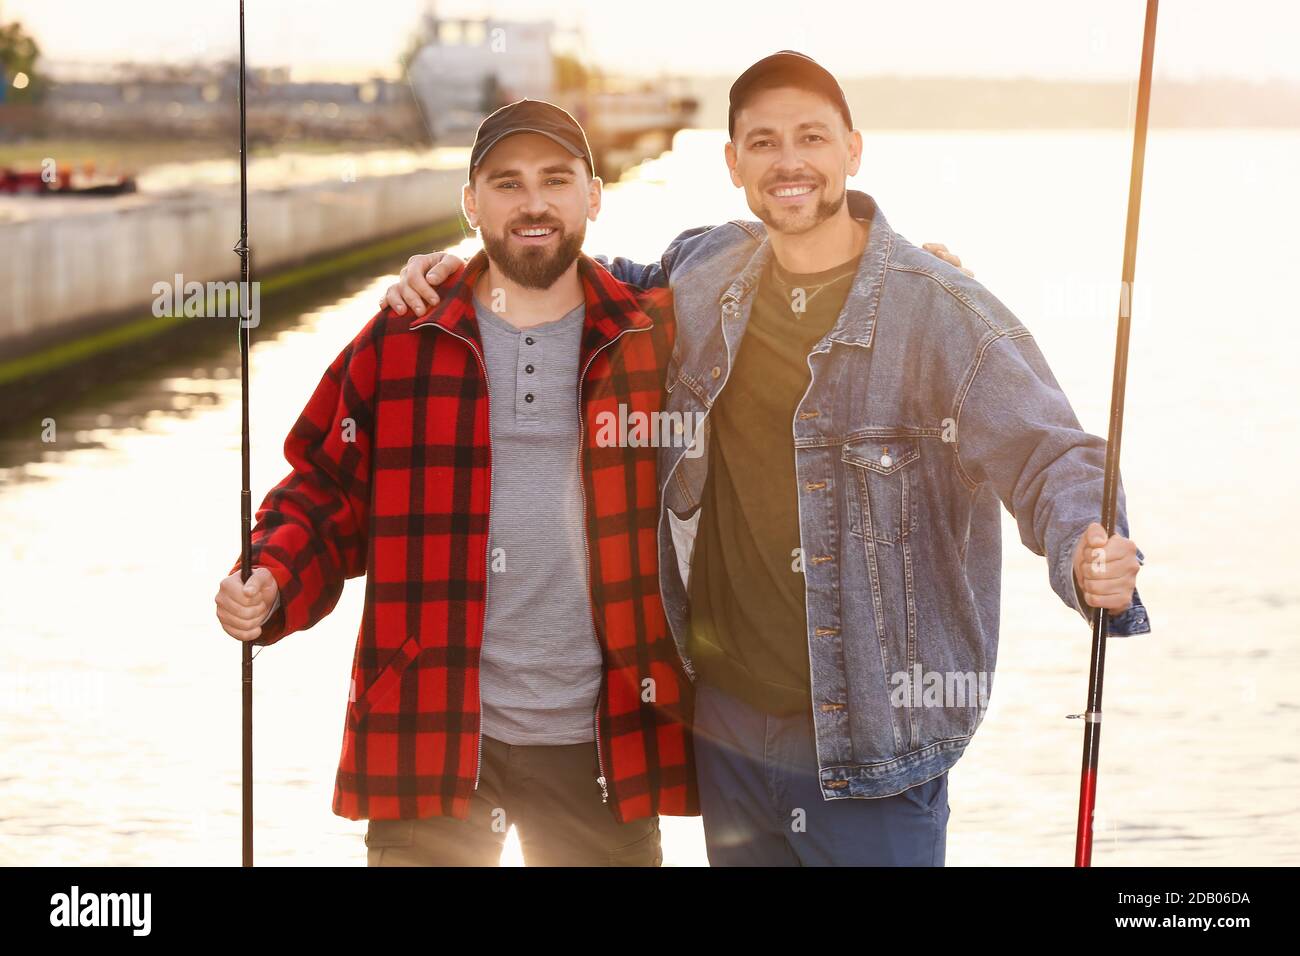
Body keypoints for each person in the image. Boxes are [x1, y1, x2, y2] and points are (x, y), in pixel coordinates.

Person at [382, 53, 1149, 867]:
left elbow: (1052, 455)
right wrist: (456, 275)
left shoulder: (941, 311)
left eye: (811, 138)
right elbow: (590, 286)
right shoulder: (712, 272)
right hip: (732, 734)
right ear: (734, 162)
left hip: (874, 749)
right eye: (764, 141)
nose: (789, 162)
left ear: (852, 149)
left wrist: (1086, 550)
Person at [214, 100, 696, 866]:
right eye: (506, 184)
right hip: (429, 736)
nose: (533, 202)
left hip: (603, 745)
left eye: (555, 180)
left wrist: (920, 279)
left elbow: (771, 295)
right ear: (471, 204)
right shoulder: (403, 337)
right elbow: (323, 486)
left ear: (593, 196)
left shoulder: (656, 338)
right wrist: (271, 573)